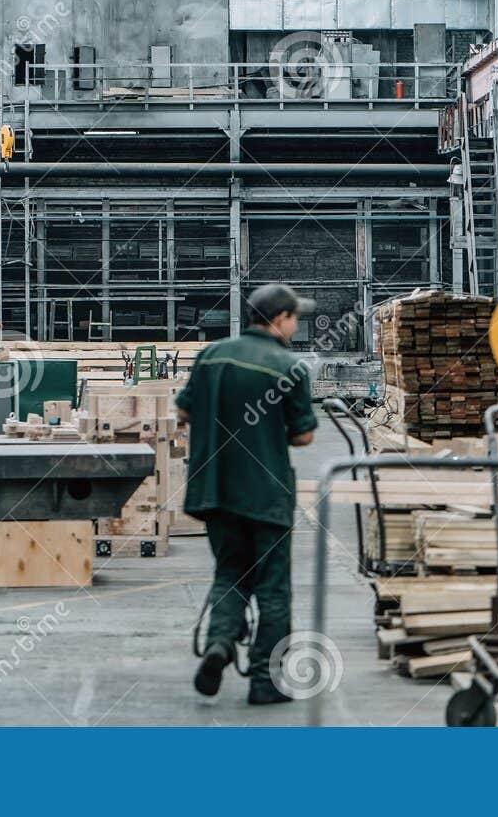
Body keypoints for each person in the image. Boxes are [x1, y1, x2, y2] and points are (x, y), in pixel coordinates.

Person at [175, 283, 317, 705]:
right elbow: (304, 436)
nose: (296, 326)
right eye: (294, 318)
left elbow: (183, 410)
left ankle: (220, 643)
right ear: (280, 319)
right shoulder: (288, 367)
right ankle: (264, 681)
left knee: (230, 574)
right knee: (272, 588)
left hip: (216, 491)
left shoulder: (212, 355)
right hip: (266, 495)